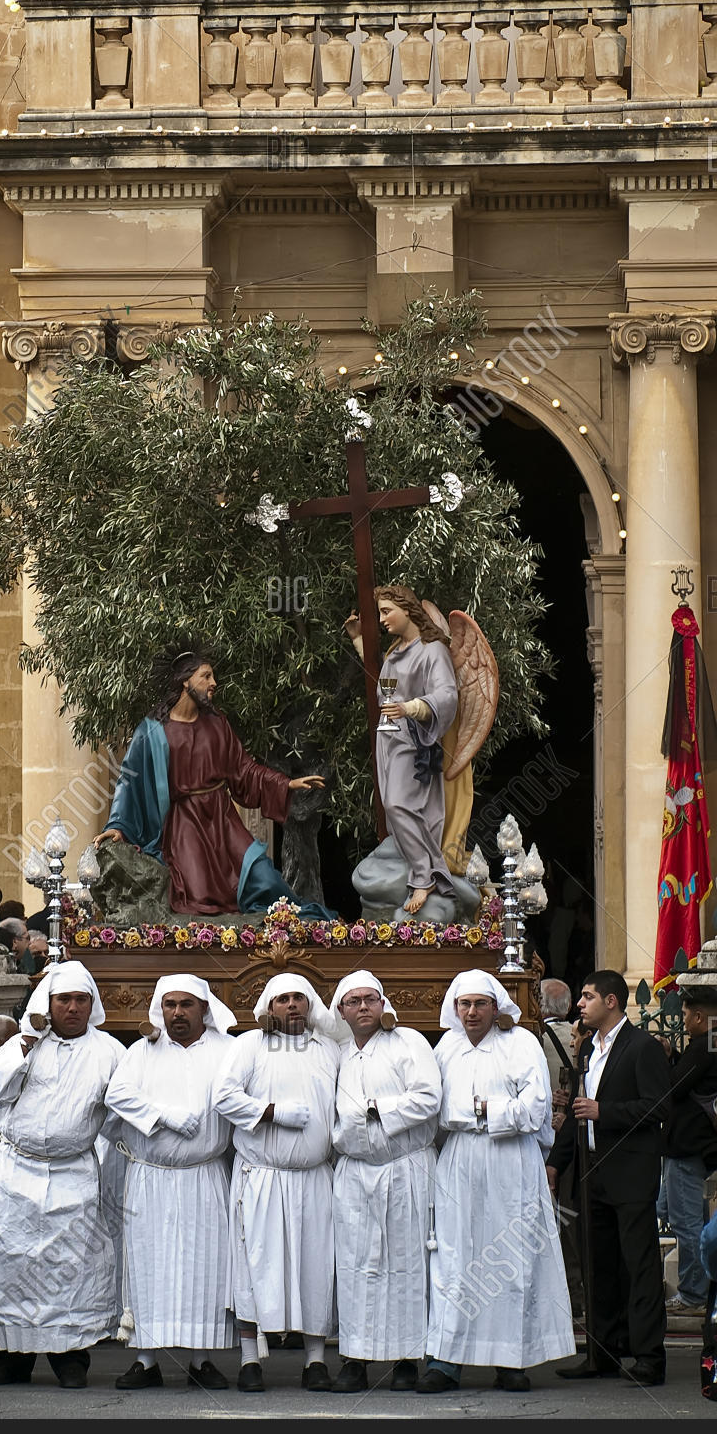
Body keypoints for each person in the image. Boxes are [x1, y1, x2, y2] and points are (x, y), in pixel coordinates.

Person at [0, 961, 124, 1388]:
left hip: (73, 1173)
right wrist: (26, 1042)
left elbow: (120, 1113)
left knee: (70, 1266)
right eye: (64, 1000)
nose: (72, 1008)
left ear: (91, 1004)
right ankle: (9, 1360)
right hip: (14, 1172)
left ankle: (70, 1360)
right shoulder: (25, 1042)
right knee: (10, 1263)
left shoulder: (110, 1051)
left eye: (80, 1000)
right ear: (48, 1005)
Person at [419, 971, 574, 1394]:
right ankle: (447, 1360)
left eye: (480, 1004)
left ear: (496, 1006)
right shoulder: (445, 1048)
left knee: (509, 1258)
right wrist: (488, 1112)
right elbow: (435, 1110)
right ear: (455, 1007)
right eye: (465, 1005)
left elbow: (535, 1107)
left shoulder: (521, 1043)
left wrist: (479, 1112)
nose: (471, 1012)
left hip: (511, 1164)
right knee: (454, 1260)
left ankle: (511, 1360)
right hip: (460, 1162)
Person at [95, 649, 325, 917]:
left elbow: (244, 770)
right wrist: (118, 826)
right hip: (185, 826)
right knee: (198, 897)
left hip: (224, 821)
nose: (213, 682)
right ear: (185, 681)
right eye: (206, 676)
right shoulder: (153, 731)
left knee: (267, 880)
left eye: (212, 676)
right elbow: (128, 781)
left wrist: (286, 784)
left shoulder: (218, 725)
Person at [105, 974, 237, 1391]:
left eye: (186, 1005)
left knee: (206, 1264)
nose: (177, 1013)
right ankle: (146, 1358)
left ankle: (202, 1358)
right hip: (151, 1176)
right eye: (169, 1004)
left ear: (204, 1008)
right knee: (148, 1263)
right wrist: (163, 1114)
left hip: (205, 1174)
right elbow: (117, 1094)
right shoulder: (142, 1051)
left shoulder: (228, 1051)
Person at [212, 971, 340, 1392]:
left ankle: (316, 1361)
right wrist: (272, 1112)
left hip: (314, 1178)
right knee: (254, 1266)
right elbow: (224, 1096)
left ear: (310, 1005)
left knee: (315, 1265)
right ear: (269, 1007)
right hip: (261, 1179)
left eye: (299, 998)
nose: (292, 1005)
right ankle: (250, 1361)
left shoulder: (329, 1049)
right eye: (283, 999)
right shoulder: (249, 1045)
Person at [550, 970, 671, 1385]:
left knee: (638, 1265)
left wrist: (606, 1112)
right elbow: (579, 1113)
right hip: (592, 1171)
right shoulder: (588, 1051)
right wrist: (556, 1163)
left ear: (612, 1002)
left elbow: (658, 1108)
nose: (580, 1004)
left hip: (630, 1172)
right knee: (597, 1263)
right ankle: (602, 1353)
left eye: (587, 997)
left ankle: (649, 1357)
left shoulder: (641, 1048)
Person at [327, 970, 441, 1393]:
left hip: (404, 1167)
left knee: (407, 1264)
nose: (362, 1007)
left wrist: (377, 1108)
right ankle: (355, 1358)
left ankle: (408, 1358)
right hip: (355, 1173)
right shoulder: (336, 1052)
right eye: (353, 1001)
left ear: (383, 1003)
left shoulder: (408, 1042)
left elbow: (429, 1098)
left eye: (370, 999)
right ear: (341, 1009)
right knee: (356, 1266)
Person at [345, 587, 459, 914]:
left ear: (407, 610)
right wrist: (358, 640)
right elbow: (384, 685)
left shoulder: (432, 650)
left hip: (414, 741)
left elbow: (447, 695)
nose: (381, 620)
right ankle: (418, 869)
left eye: (386, 611)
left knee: (397, 803)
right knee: (394, 806)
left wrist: (411, 708)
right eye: (379, 613)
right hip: (390, 740)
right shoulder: (397, 652)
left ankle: (425, 877)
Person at [662, 992, 717, 1316]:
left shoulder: (705, 1045)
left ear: (698, 1016)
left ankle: (693, 1294)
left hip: (686, 1146)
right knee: (670, 1210)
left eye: (685, 1015)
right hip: (695, 1146)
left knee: (686, 1223)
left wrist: (662, 1063)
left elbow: (674, 1087)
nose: (682, 1021)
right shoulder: (710, 1046)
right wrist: (673, 1055)